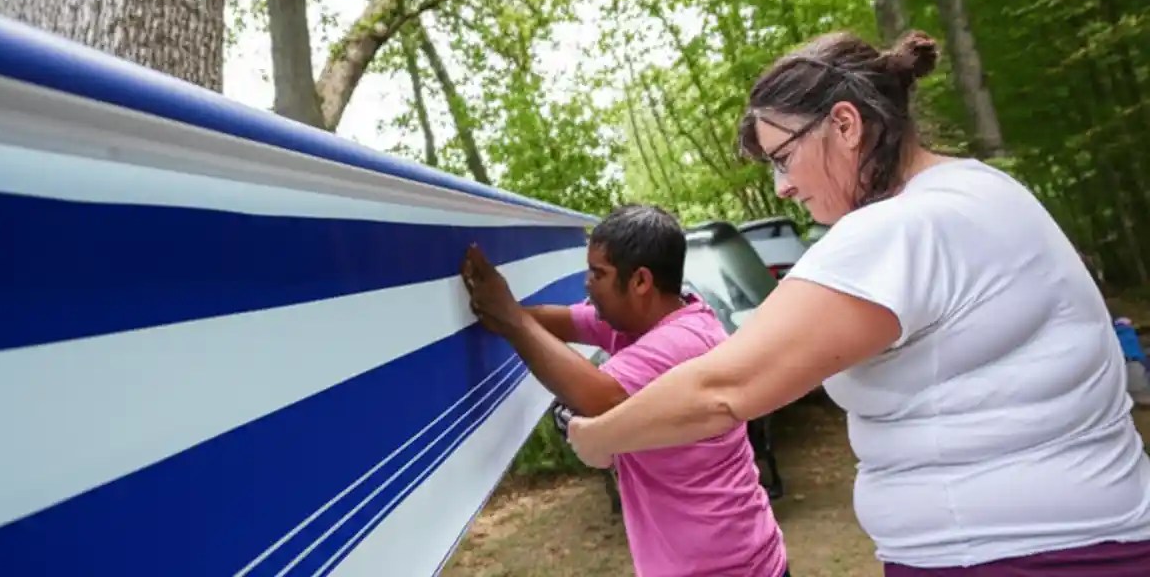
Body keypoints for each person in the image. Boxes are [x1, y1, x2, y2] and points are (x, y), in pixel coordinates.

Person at [565, 31, 1150, 575]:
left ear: (845, 124)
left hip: (1022, 556)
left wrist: (597, 437)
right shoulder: (977, 190)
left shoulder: (902, 227)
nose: (782, 187)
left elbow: (722, 388)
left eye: (782, 158)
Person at [460, 204, 788, 577]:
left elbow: (599, 399)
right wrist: (496, 313)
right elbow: (559, 321)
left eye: (597, 273)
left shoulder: (683, 341)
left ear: (640, 282)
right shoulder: (637, 322)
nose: (587, 283)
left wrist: (511, 318)